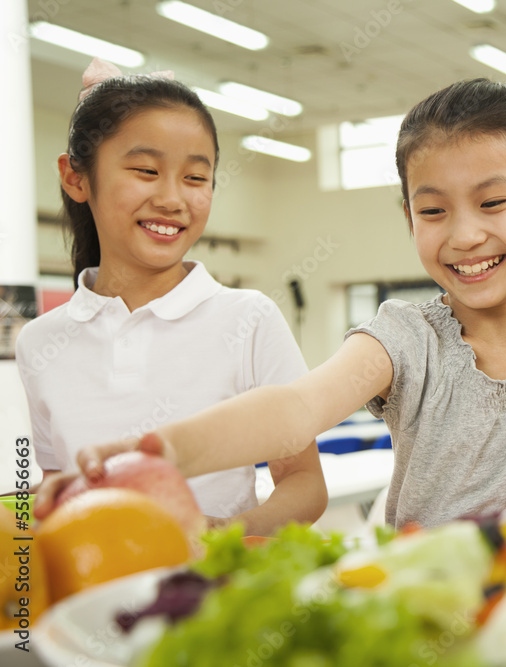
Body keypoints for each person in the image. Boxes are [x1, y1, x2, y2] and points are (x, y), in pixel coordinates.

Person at [36, 78, 506, 528]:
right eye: (433, 210)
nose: (464, 234)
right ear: (409, 217)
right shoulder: (403, 336)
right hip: (437, 624)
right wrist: (159, 449)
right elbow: (295, 408)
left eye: (492, 203)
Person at [17, 59, 326, 536]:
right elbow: (57, 486)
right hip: (92, 592)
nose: (172, 198)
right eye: (146, 170)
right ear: (76, 177)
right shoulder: (40, 341)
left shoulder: (249, 319)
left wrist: (229, 533)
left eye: (195, 178)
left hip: (210, 595)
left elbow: (304, 482)